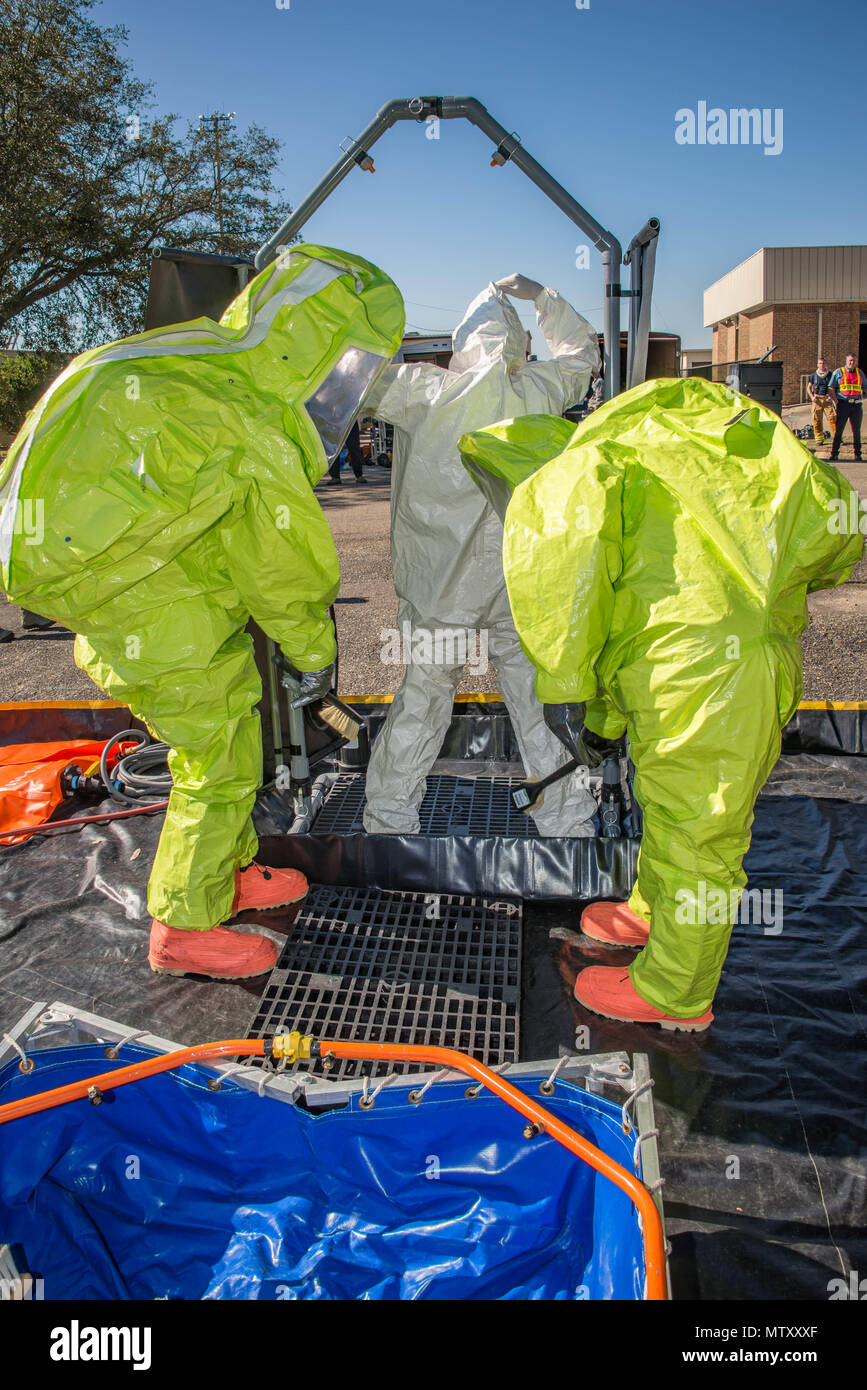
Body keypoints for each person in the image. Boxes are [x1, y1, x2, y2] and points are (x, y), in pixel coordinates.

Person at [0, 244, 405, 980]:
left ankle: (225, 868)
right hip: (139, 592)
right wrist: (313, 654)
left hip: (114, 573)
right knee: (215, 760)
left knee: (230, 727)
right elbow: (282, 563)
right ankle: (184, 925)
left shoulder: (186, 359)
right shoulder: (246, 411)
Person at [459, 377, 864, 1031]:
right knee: (674, 807)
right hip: (730, 665)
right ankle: (654, 911)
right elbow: (839, 538)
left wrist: (564, 693)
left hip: (691, 674)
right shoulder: (721, 449)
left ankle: (675, 992)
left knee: (700, 831)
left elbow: (562, 596)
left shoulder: (576, 476)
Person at [361, 273, 601, 837]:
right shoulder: (540, 388)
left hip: (441, 587)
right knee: (539, 702)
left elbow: (342, 383)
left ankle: (389, 822)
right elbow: (583, 355)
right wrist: (543, 298)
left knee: (423, 699)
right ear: (520, 346)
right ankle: (567, 823)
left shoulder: (422, 390)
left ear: (460, 344)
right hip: (521, 586)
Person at [828, 353, 865, 461]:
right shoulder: (839, 372)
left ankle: (857, 454)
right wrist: (835, 401)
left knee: (856, 431)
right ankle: (834, 453)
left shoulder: (860, 373)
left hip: (856, 405)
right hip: (843, 404)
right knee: (839, 430)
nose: (852, 363)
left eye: (854, 361)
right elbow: (831, 388)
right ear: (846, 361)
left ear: (856, 361)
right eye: (850, 361)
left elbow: (865, 386)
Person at [325, 418, 367, 485]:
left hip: (349, 418)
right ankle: (335, 476)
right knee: (333, 448)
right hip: (334, 419)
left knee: (354, 447)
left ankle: (359, 475)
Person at [807, 355, 836, 445]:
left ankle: (837, 438)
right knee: (817, 420)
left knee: (832, 418)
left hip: (827, 399)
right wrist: (812, 397)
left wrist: (832, 397)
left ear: (825, 364)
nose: (822, 365)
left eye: (823, 363)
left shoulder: (830, 375)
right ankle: (819, 439)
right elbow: (808, 388)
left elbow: (833, 387)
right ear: (817, 365)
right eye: (820, 363)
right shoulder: (813, 376)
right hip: (817, 400)